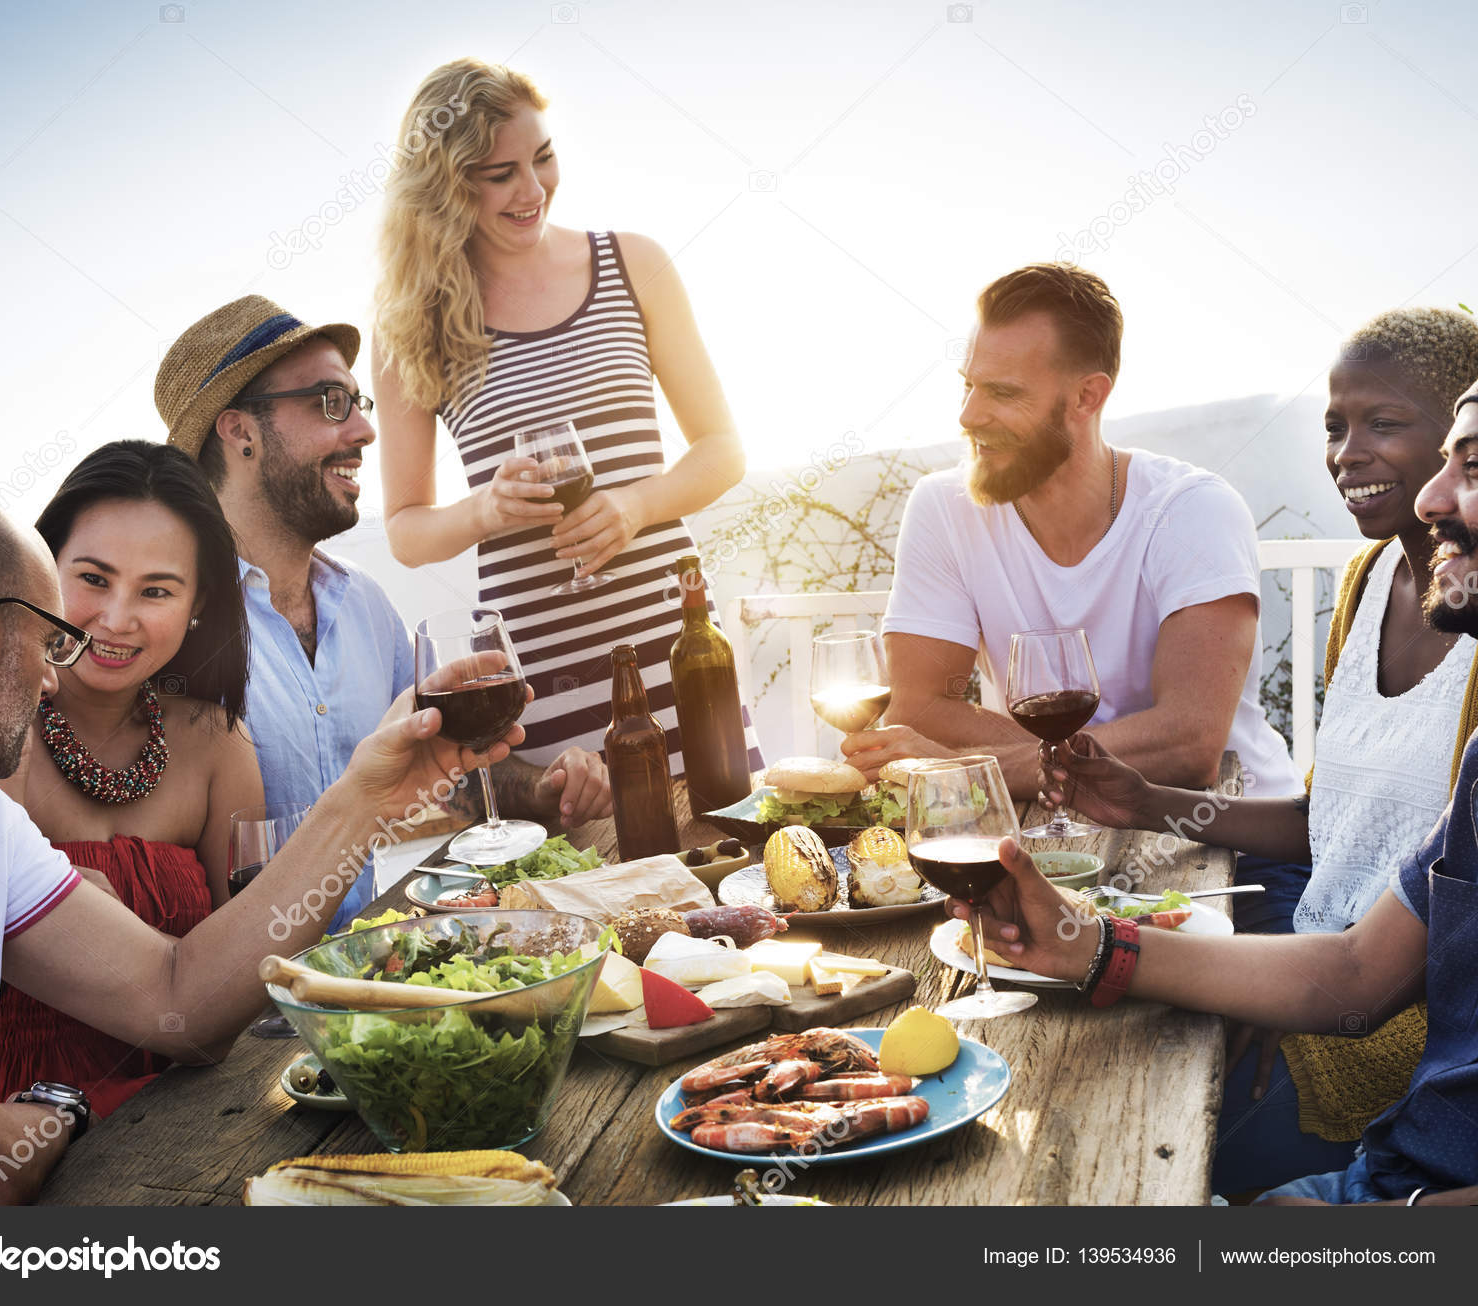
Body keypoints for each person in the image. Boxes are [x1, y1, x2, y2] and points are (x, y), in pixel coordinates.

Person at [0, 480, 512, 1205]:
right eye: (48, 644)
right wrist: (64, 1109)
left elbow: (179, 998)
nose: (53, 679)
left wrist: (368, 799)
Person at [968, 385, 1478, 1206]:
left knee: (1109, 1142)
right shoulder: (1381, 603)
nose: (1431, 500)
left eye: (1473, 467)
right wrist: (1095, 925)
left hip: (1401, 1121)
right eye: (1335, 426)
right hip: (1384, 1104)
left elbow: (1375, 984)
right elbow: (1349, 930)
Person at [156, 294, 611, 928]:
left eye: (357, 403)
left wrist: (539, 789)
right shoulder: (171, 624)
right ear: (240, 432)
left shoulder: (364, 603)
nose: (365, 432)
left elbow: (446, 765)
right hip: (254, 983)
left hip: (378, 955)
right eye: (329, 403)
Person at [370, 58, 761, 778]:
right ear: (446, 186)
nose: (533, 189)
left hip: (676, 649)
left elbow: (723, 450)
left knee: (726, 838)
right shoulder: (411, 326)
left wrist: (635, 506)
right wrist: (486, 510)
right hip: (543, 685)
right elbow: (405, 531)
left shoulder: (633, 263)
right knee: (580, 851)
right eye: (500, 174)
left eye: (543, 158)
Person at [847, 262, 1299, 801]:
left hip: (1226, 825)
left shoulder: (1194, 509)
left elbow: (1188, 745)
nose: (968, 416)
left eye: (1003, 393)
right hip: (1046, 825)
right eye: (968, 386)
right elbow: (919, 709)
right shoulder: (945, 508)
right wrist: (1065, 763)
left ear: (1087, 397)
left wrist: (967, 769)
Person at [0, 441, 264, 1117]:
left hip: (198, 1106)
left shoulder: (217, 742)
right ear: (43, 570)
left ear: (199, 603)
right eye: (93, 578)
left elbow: (258, 959)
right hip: (26, 1120)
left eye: (156, 590)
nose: (116, 619)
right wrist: (192, 965)